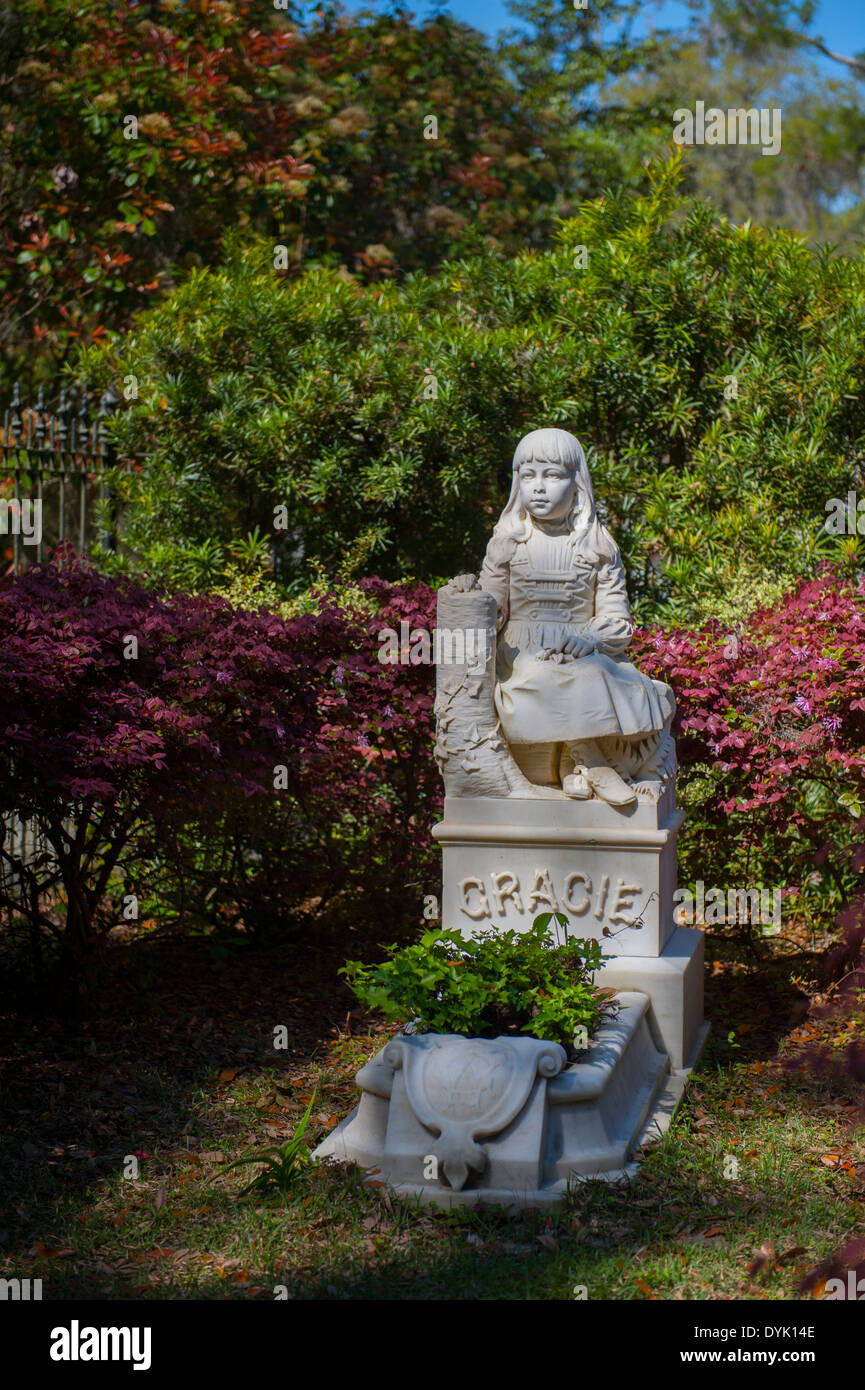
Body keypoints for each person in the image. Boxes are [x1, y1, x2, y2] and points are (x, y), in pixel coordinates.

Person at [476, 427, 673, 806]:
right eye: (527, 475)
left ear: (576, 482)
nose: (538, 486)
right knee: (542, 673)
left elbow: (617, 619)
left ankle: (572, 761)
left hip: (583, 649)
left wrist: (591, 640)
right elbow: (488, 613)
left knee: (597, 673)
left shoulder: (598, 546)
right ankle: (592, 761)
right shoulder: (506, 542)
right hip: (521, 653)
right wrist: (482, 586)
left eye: (552, 475)